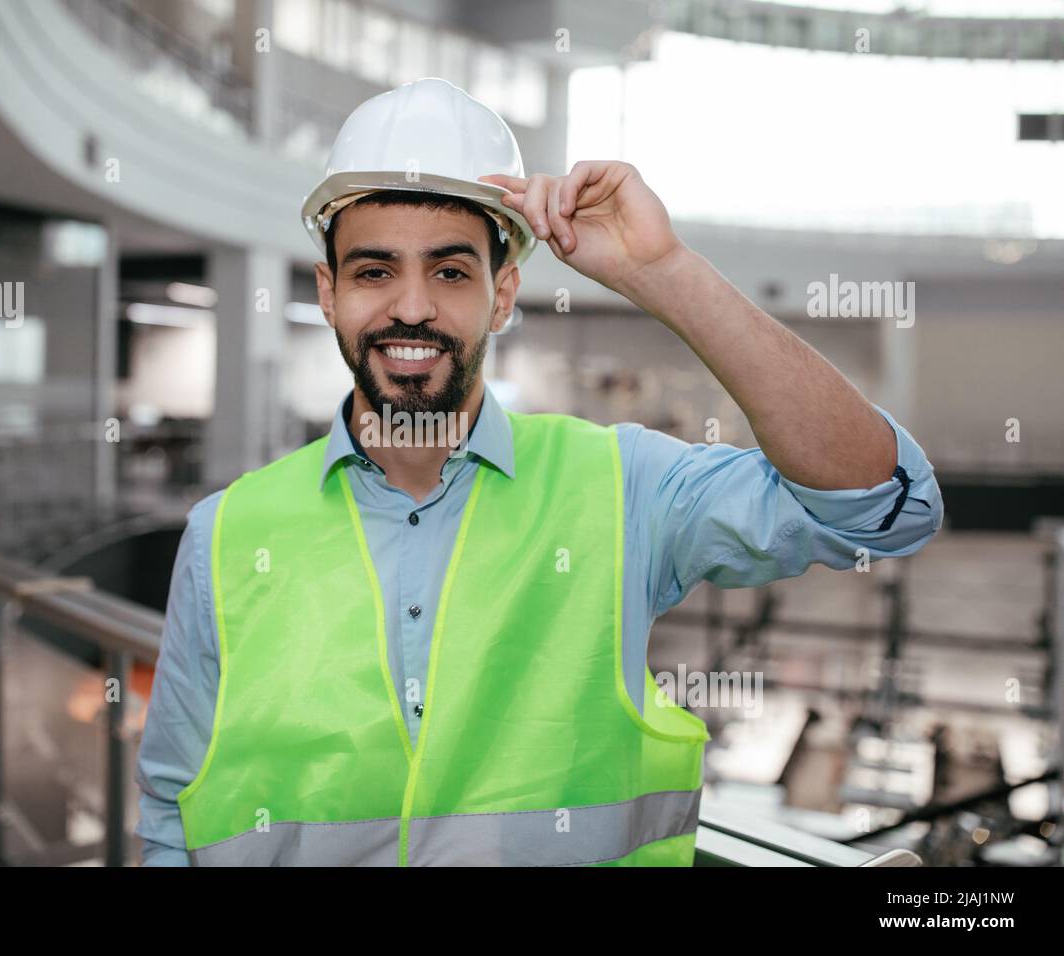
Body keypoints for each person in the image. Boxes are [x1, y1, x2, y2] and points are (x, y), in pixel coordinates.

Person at [135, 77, 943, 866]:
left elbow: (881, 509)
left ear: (504, 293)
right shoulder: (227, 535)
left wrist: (661, 274)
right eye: (374, 271)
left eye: (451, 272)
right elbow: (175, 820)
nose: (411, 307)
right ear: (329, 292)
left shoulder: (621, 490)